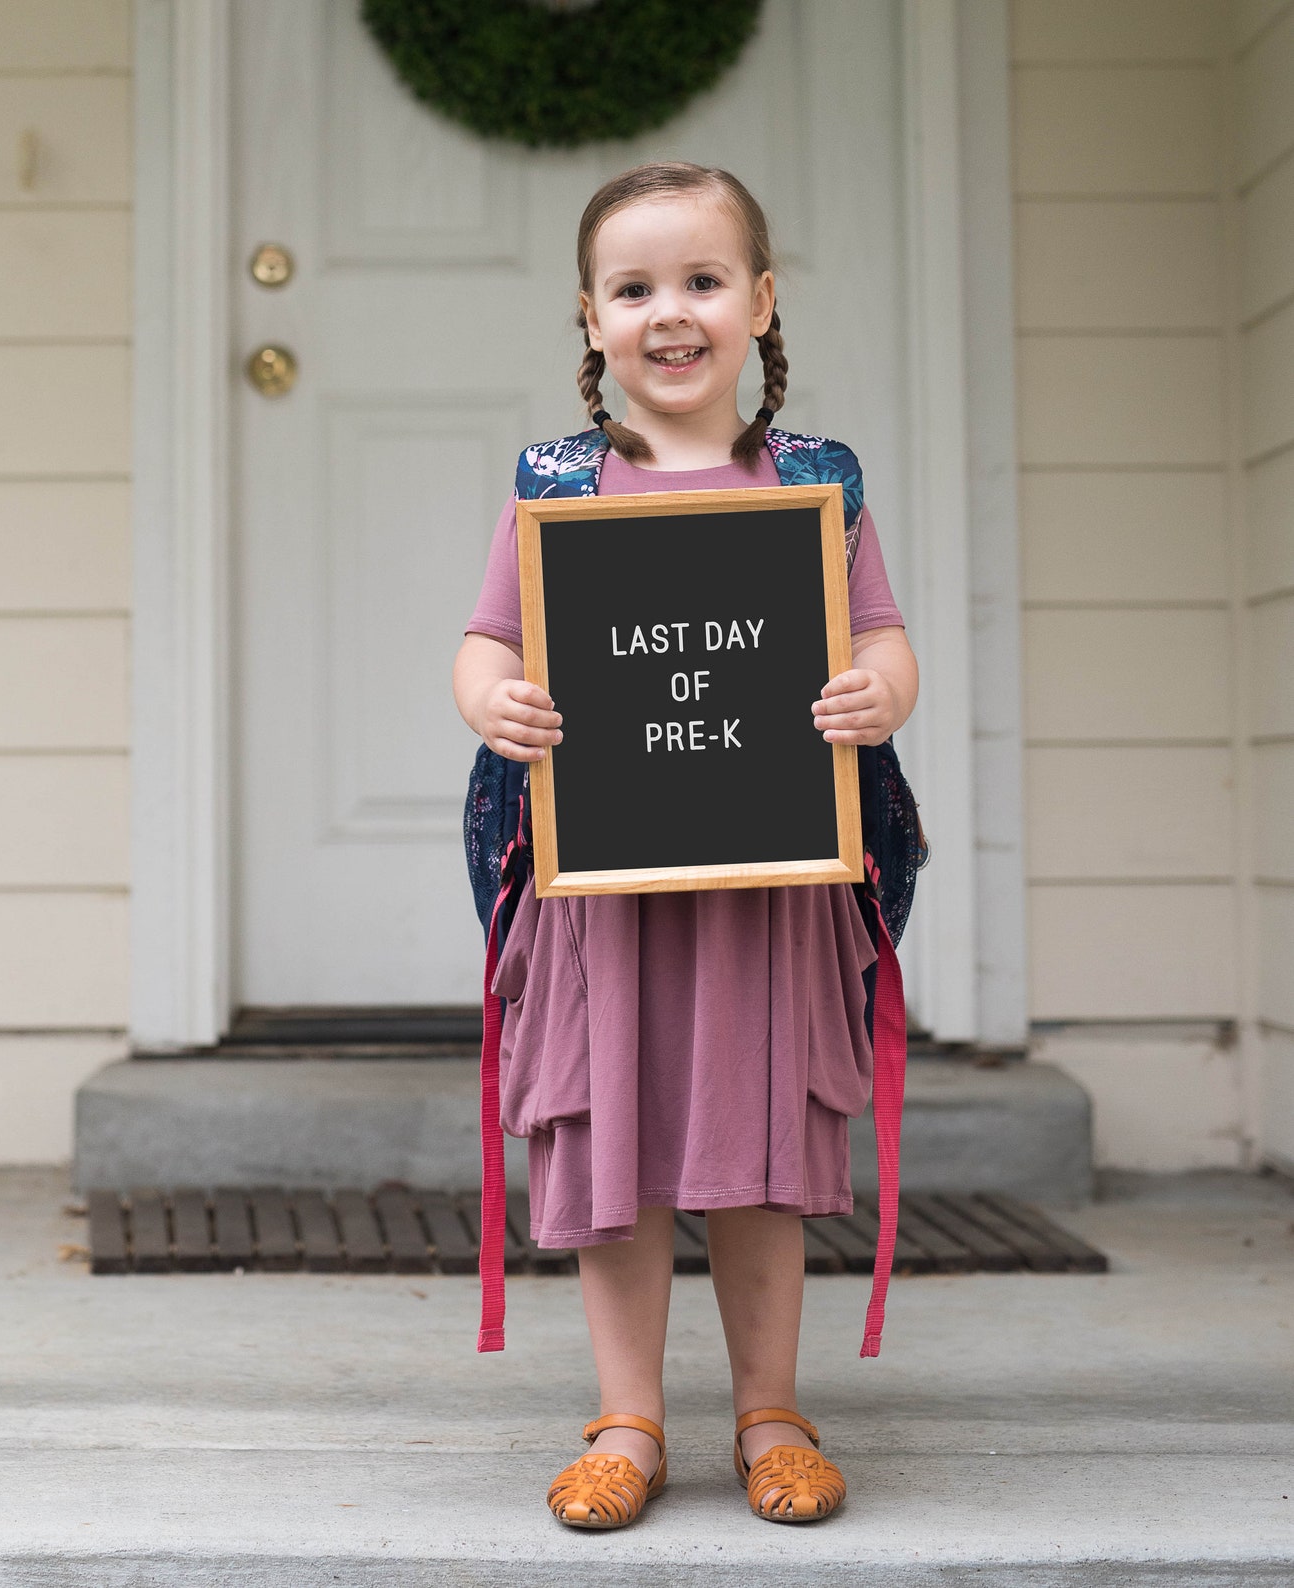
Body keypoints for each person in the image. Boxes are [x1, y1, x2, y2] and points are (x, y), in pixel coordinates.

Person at [452, 162, 919, 1530]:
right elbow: (486, 642)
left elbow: (880, 637)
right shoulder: (559, 487)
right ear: (590, 319)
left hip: (769, 887)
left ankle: (771, 1411)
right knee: (613, 1151)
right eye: (636, 286)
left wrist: (879, 687)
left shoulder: (815, 486)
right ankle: (628, 1417)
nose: (672, 312)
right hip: (607, 891)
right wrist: (501, 702)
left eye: (703, 281)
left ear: (760, 305)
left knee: (758, 1147)